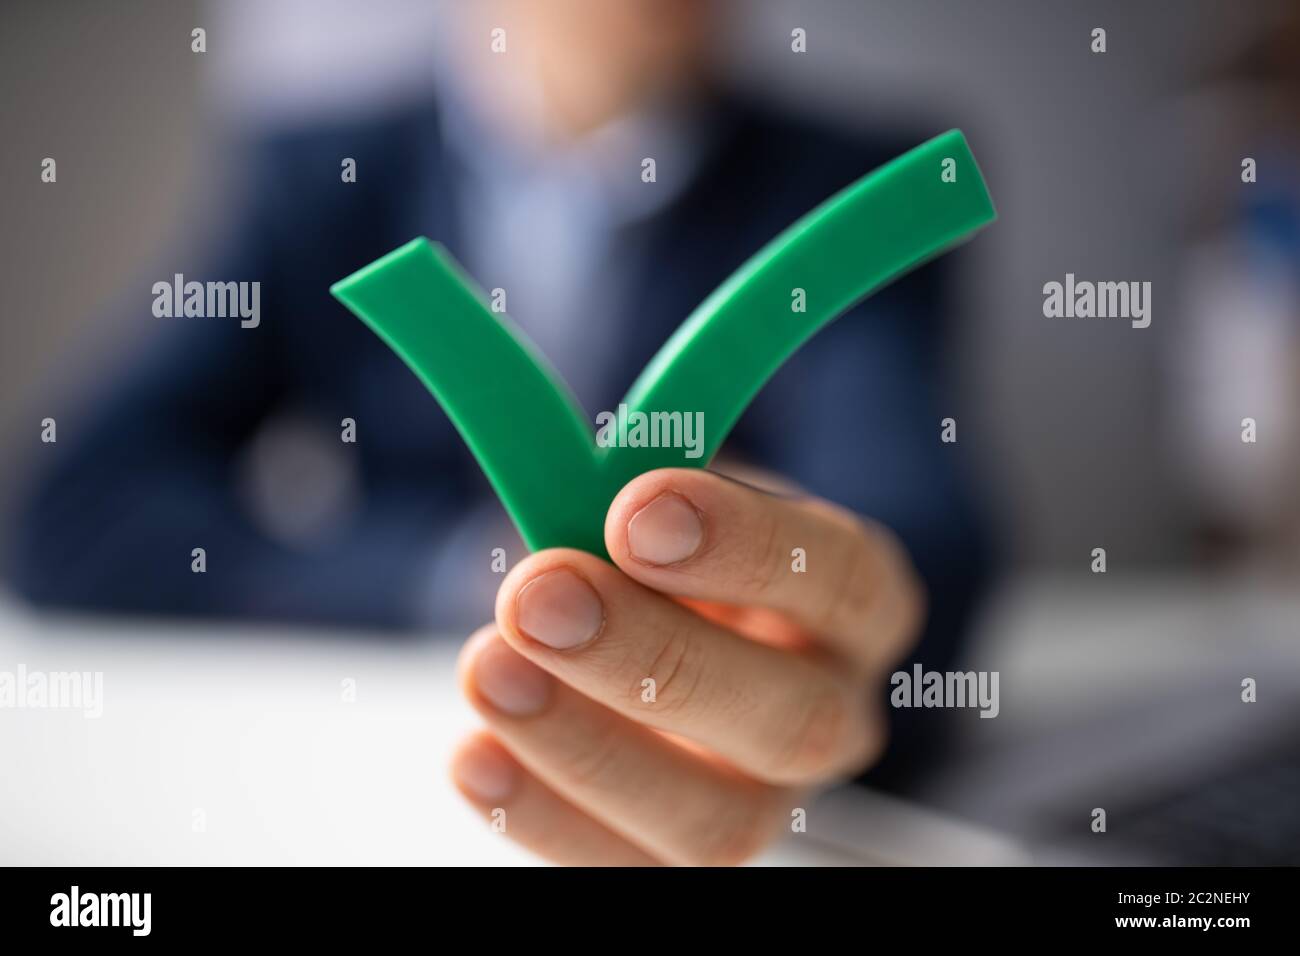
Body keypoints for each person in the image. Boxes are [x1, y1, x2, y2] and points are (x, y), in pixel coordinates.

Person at [4, 0, 992, 863]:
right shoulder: (318, 175)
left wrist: (826, 629)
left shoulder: (844, 178)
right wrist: (461, 571)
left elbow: (913, 529)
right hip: (355, 777)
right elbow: (79, 513)